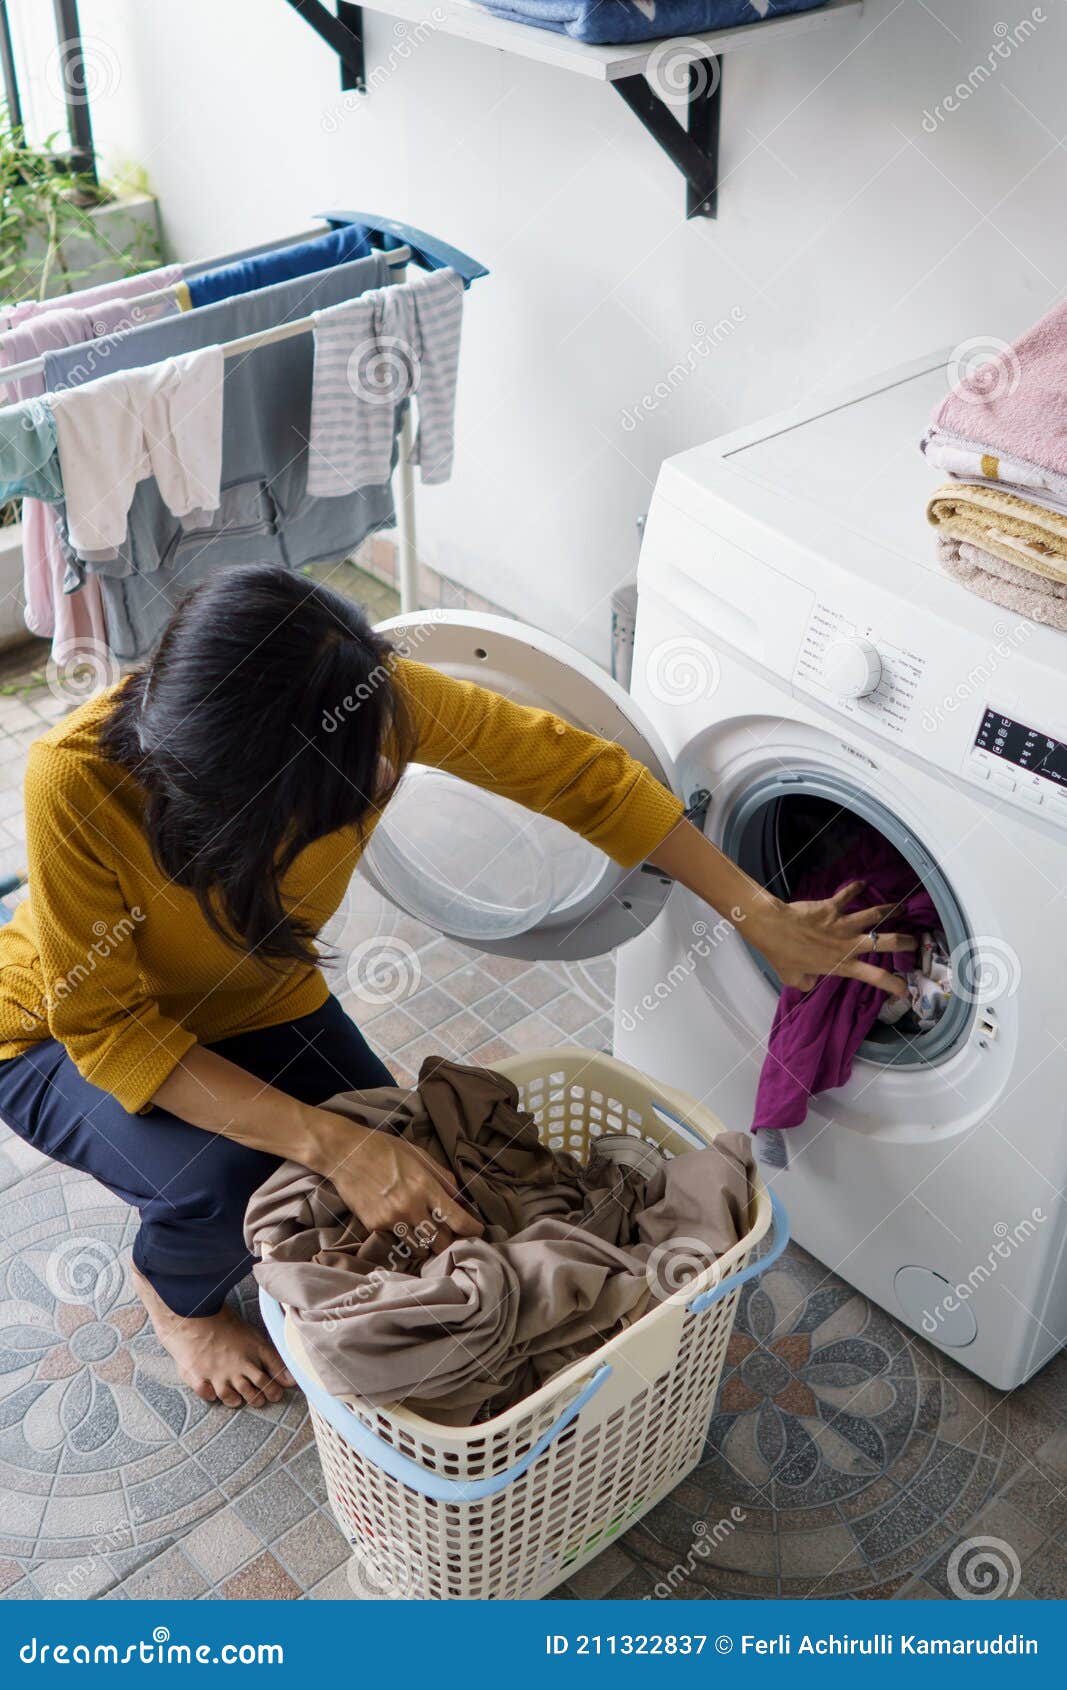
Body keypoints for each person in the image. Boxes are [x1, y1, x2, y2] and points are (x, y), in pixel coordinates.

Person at [0, 565, 912, 1409]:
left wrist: (756, 913)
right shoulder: (74, 782)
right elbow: (116, 1032)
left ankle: (287, 1176)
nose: (386, 777)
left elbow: (580, 775)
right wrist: (331, 1145)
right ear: (230, 793)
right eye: (349, 790)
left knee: (406, 1144)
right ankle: (175, 1298)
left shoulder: (361, 706)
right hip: (55, 1034)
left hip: (260, 997)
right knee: (234, 1177)